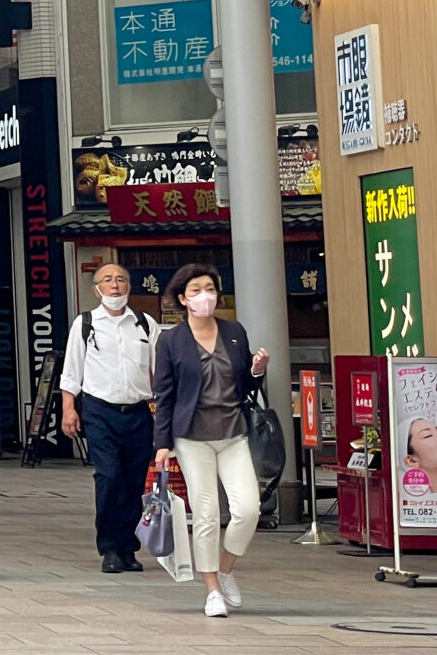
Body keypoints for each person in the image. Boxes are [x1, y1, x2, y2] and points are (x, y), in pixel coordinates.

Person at [152, 262, 269, 618]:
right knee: (205, 513)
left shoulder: (234, 332)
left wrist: (257, 370)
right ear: (183, 299)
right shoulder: (171, 341)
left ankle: (226, 567)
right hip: (192, 437)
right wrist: (161, 444)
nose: (205, 296)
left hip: (232, 433)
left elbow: (246, 387)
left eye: (210, 288)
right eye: (196, 290)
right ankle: (212, 589)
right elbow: (165, 395)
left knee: (248, 509)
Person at [59, 263, 157, 573]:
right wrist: (68, 408)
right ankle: (110, 548)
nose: (114, 286)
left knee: (133, 481)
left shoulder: (144, 323)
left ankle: (128, 547)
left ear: (129, 286)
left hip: (139, 412)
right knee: (110, 476)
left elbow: (160, 371)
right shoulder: (85, 324)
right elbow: (71, 371)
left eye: (120, 280)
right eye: (107, 280)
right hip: (99, 410)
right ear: (96, 288)